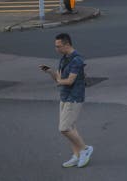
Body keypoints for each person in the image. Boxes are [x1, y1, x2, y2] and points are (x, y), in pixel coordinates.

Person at [39, 33, 93, 168]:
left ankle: (85, 149)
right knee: (71, 128)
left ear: (67, 44)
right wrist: (50, 72)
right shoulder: (64, 59)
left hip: (74, 98)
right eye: (55, 46)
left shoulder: (77, 60)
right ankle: (76, 155)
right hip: (64, 97)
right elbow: (59, 77)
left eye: (58, 46)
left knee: (64, 128)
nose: (56, 49)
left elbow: (69, 81)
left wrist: (59, 81)